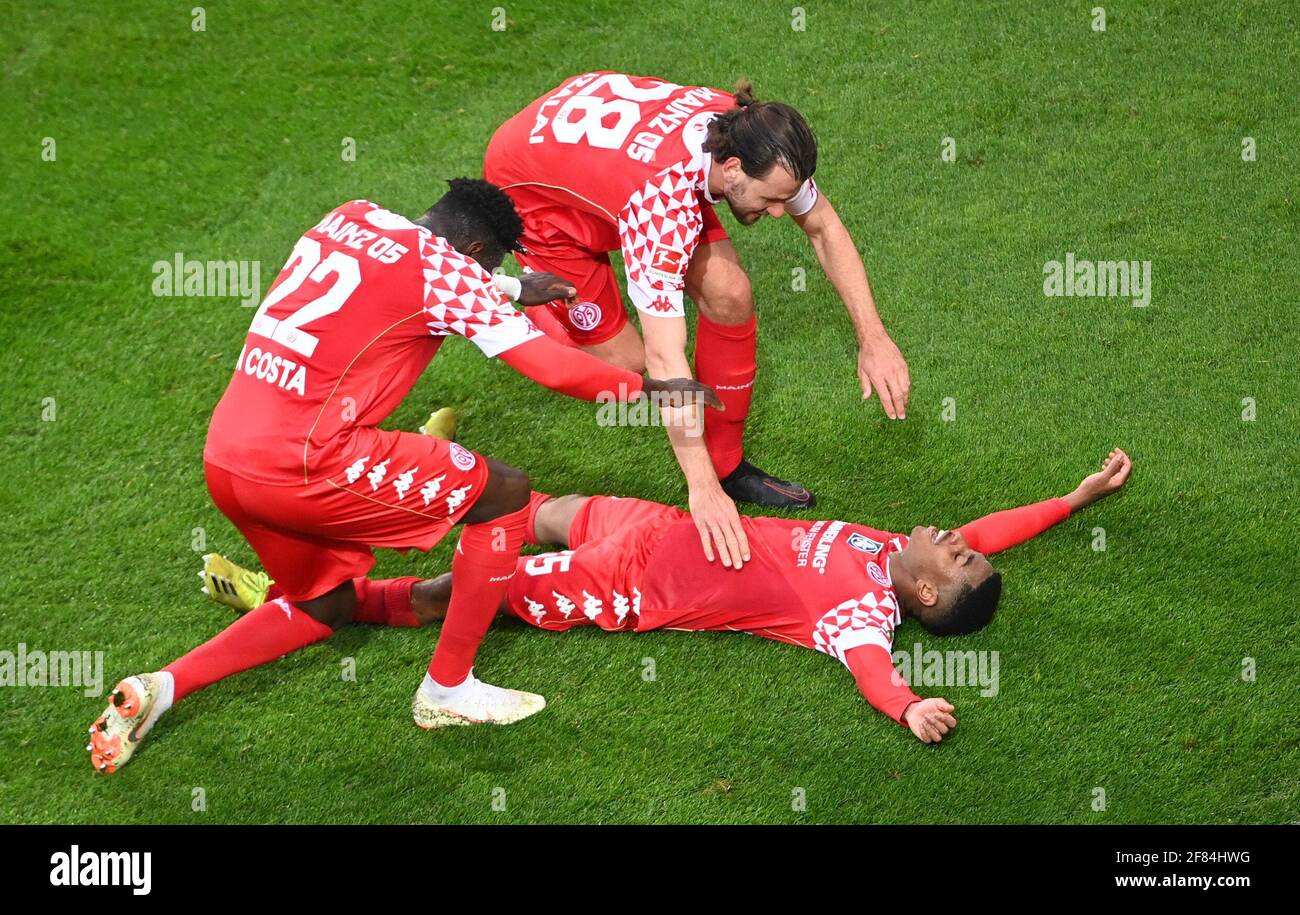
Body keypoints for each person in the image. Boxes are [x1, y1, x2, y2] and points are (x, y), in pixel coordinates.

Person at [88, 180, 716, 773]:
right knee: (503, 493)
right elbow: (553, 369)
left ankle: (162, 687)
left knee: (323, 604)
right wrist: (651, 385)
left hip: (228, 458)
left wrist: (508, 288)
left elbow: (395, 276)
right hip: (309, 464)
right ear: (474, 251)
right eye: (488, 264)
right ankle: (448, 689)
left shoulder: (350, 216)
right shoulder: (447, 275)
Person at [201, 448, 1133, 744]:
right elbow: (999, 526)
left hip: (629, 584)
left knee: (460, 589)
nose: (960, 538)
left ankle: (311, 599)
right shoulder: (893, 549)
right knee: (523, 506)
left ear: (927, 591)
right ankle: (405, 496)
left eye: (959, 558)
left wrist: (908, 706)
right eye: (964, 547)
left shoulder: (865, 610)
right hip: (648, 522)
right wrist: (1076, 497)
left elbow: (872, 673)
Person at [484, 71, 912, 569]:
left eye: (785, 197)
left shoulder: (751, 130)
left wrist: (873, 337)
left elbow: (823, 228)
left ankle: (730, 465)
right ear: (731, 169)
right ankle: (512, 300)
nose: (779, 213)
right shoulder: (663, 208)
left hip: (599, 152)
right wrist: (700, 490)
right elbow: (668, 361)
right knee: (627, 361)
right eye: (771, 199)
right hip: (534, 190)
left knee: (729, 293)